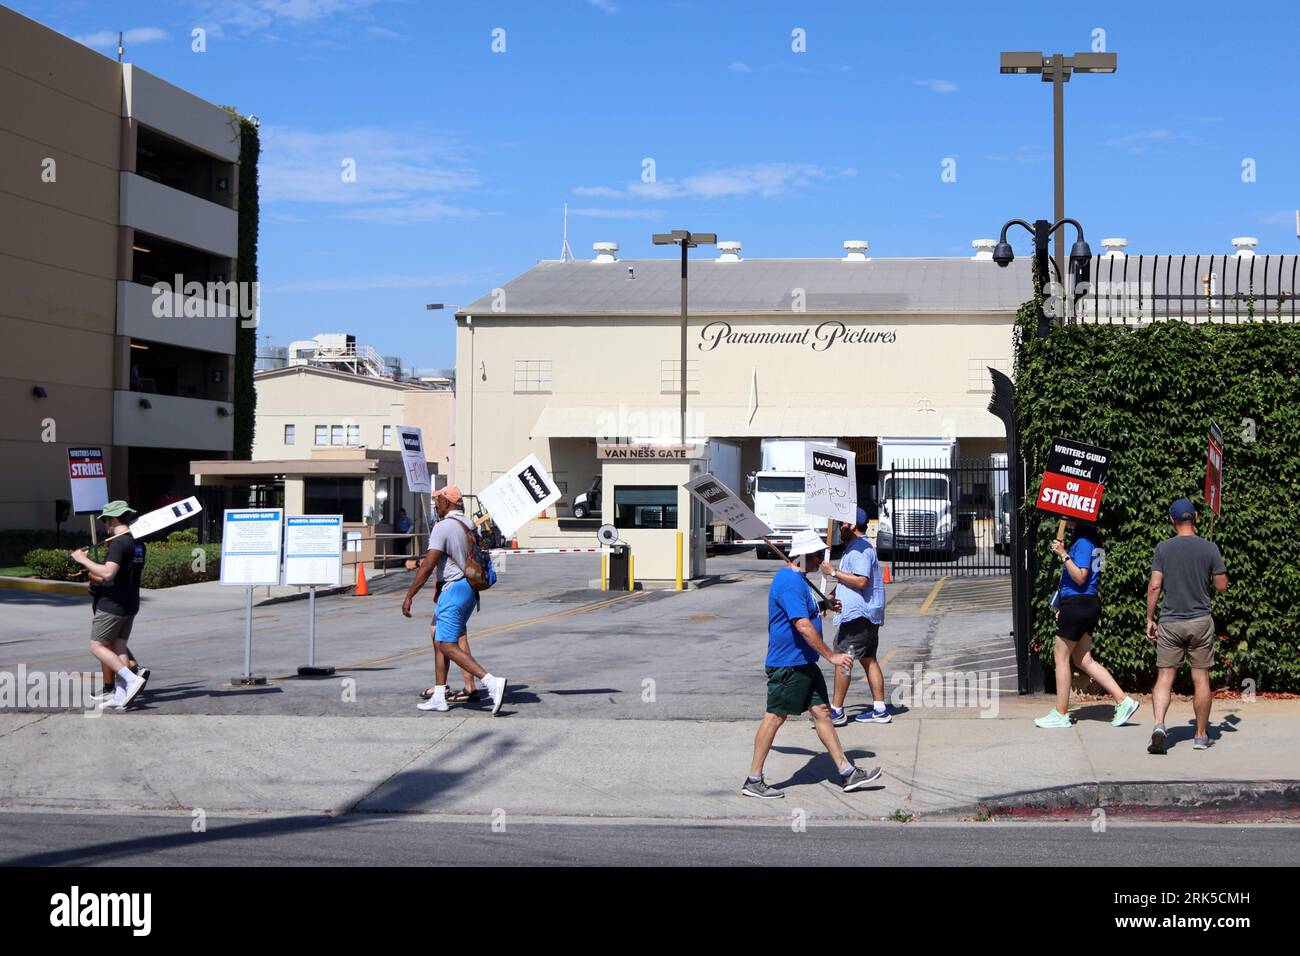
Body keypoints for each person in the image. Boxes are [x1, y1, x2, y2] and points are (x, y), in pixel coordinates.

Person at [743, 529, 883, 798]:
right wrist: (831, 655)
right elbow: (802, 625)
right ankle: (753, 779)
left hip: (804, 663)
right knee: (774, 717)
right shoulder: (790, 582)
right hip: (788, 665)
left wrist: (825, 604)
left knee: (822, 712)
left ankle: (846, 772)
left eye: (821, 554)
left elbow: (804, 612)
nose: (821, 559)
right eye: (817, 555)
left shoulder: (799, 579)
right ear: (801, 555)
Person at [401, 486, 507, 715]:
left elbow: (429, 565)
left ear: (447, 503)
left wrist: (409, 595)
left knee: (447, 644)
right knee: (439, 637)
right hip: (468, 589)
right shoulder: (467, 524)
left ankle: (490, 682)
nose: (436, 504)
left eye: (438, 500)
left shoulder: (443, 527)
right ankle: (440, 695)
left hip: (453, 589)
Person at [1034, 519, 1140, 729]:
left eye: (1069, 516)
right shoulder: (1093, 540)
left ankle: (1061, 714)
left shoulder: (1083, 542)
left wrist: (1063, 554)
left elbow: (1081, 576)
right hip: (1086, 604)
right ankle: (1124, 700)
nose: (1065, 520)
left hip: (1078, 603)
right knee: (1083, 659)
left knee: (1060, 657)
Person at [1145, 498, 1228, 754]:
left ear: (1172, 521)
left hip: (1170, 621)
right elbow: (1221, 586)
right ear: (1195, 518)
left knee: (1165, 677)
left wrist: (1150, 618)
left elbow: (1155, 586)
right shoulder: (1209, 548)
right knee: (1201, 678)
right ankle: (1201, 736)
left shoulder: (1163, 548)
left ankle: (1159, 725)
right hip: (1200, 621)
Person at [70, 501, 149, 710]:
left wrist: (82, 560)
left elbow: (107, 573)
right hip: (130, 602)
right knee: (118, 646)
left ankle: (131, 680)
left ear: (114, 519)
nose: (105, 524)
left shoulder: (119, 544)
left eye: (105, 520)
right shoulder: (138, 543)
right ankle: (121, 693)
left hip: (112, 604)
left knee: (96, 646)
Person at [820, 507, 890, 725]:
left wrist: (831, 572)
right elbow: (846, 582)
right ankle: (879, 709)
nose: (839, 528)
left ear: (851, 525)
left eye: (842, 524)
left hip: (858, 617)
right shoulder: (853, 548)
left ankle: (837, 711)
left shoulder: (860, 549)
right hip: (866, 615)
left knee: (843, 658)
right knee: (868, 659)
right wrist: (828, 599)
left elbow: (861, 581)